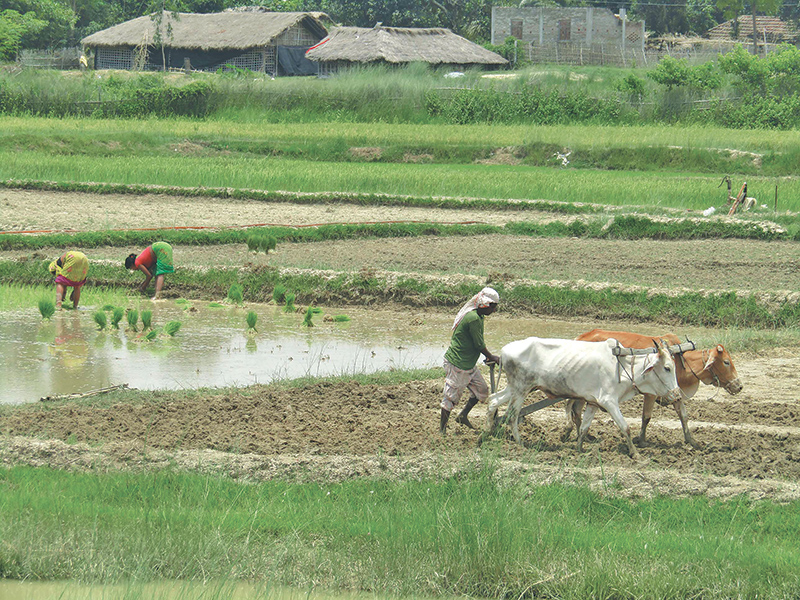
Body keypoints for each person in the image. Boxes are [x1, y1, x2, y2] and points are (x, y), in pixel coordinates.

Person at [440, 287, 501, 434]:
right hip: (458, 363)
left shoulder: (478, 316)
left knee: (482, 391)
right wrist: (492, 356)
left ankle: (463, 416)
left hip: (468, 364)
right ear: (484, 304)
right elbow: (478, 344)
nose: (494, 311)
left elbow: (476, 341)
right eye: (492, 307)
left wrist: (488, 356)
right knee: (451, 398)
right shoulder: (473, 318)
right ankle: (442, 431)